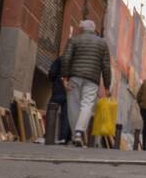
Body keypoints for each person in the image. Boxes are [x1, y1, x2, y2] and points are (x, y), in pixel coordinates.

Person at [60, 19, 111, 147]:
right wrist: (107, 86)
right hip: (92, 79)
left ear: (82, 29)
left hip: (75, 77)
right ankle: (79, 132)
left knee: (73, 106)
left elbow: (66, 58)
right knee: (87, 104)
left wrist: (64, 77)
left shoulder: (74, 40)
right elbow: (106, 66)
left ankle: (75, 135)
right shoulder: (102, 43)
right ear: (94, 29)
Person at [46, 54, 71, 144]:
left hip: (58, 88)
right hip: (70, 91)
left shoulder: (61, 59)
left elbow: (52, 73)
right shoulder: (76, 61)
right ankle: (64, 138)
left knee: (52, 110)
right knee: (66, 115)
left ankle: (48, 134)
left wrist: (52, 79)